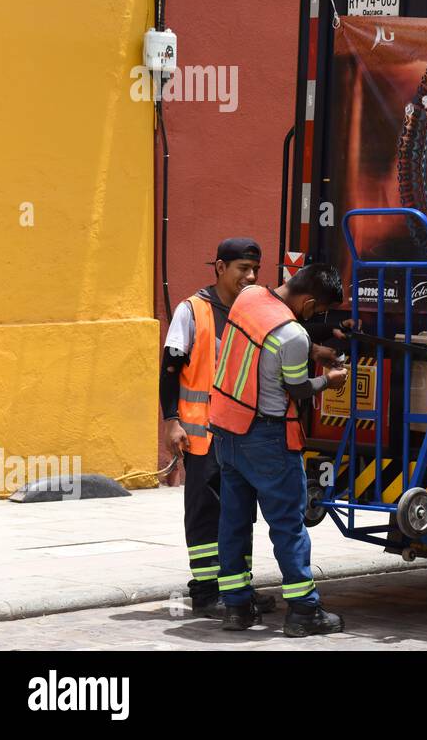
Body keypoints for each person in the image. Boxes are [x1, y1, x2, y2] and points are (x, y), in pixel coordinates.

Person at [209, 263, 349, 636]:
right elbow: (299, 389)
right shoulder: (292, 336)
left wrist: (313, 349)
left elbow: (261, 347)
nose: (315, 316)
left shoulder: (248, 297)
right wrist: (329, 379)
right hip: (268, 438)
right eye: (317, 311)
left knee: (234, 522)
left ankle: (236, 607)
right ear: (310, 301)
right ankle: (304, 611)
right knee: (288, 525)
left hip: (226, 430)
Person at [160, 237, 277, 619]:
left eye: (255, 269)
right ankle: (207, 591)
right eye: (243, 268)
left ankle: (237, 587)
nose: (251, 275)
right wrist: (172, 421)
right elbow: (170, 369)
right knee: (206, 512)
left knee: (239, 512)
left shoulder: (253, 311)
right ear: (220, 267)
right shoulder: (192, 310)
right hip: (201, 436)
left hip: (241, 435)